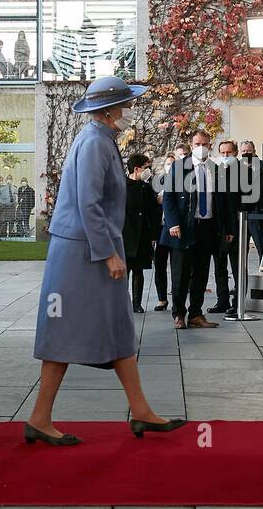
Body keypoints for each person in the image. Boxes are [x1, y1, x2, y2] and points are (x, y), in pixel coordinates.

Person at [29, 76, 185, 444]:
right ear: (110, 109)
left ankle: (141, 410)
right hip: (83, 252)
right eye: (127, 105)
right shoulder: (96, 143)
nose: (130, 111)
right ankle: (39, 417)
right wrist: (109, 254)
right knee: (63, 329)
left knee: (118, 327)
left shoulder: (101, 139)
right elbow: (89, 203)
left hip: (87, 247)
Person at [162, 129, 231, 329]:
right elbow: (169, 198)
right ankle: (179, 314)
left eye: (204, 144)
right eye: (197, 144)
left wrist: (227, 228)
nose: (201, 147)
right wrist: (173, 223)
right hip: (184, 228)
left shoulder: (215, 168)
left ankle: (195, 314)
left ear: (210, 146)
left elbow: (222, 202)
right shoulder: (179, 166)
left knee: (201, 274)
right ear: (192, 146)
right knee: (181, 274)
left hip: (207, 228)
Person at [122, 154, 160, 313]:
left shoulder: (146, 187)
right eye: (146, 167)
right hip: (125, 234)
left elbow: (153, 211)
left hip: (142, 235)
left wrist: (153, 235)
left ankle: (137, 303)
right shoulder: (122, 186)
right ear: (137, 169)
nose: (148, 171)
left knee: (138, 270)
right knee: (124, 271)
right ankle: (122, 302)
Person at [209, 140, 242, 314]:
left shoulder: (244, 172)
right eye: (222, 153)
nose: (225, 156)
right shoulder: (216, 172)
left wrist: (233, 228)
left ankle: (238, 303)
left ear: (235, 153)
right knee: (219, 267)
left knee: (237, 267)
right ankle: (222, 301)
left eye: (228, 152)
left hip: (236, 226)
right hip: (218, 227)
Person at [238, 140, 263, 266]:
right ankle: (241, 283)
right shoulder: (235, 168)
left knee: (262, 248)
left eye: (248, 151)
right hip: (241, 214)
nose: (246, 153)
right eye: (243, 151)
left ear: (254, 151)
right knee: (240, 251)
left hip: (259, 214)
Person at [152, 152, 176, 311]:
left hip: (174, 228)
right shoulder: (157, 183)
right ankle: (162, 299)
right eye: (168, 163)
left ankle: (176, 297)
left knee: (177, 265)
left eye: (173, 163)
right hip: (160, 228)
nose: (170, 166)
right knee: (159, 264)